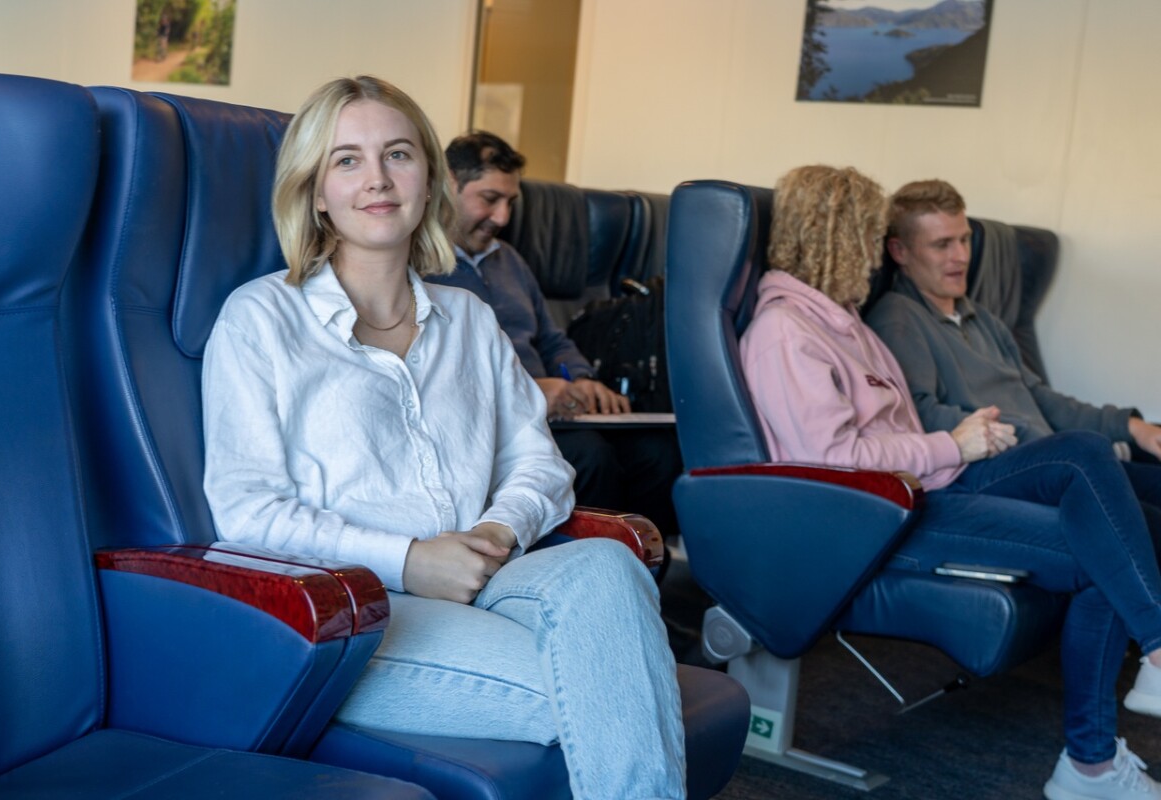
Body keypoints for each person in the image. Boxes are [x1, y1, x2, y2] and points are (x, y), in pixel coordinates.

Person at [201, 76, 686, 800]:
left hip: (490, 571)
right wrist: (410, 560)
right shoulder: (260, 319)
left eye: (397, 154)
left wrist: (495, 531)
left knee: (607, 570)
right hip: (358, 611)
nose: (377, 179)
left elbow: (539, 465)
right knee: (614, 690)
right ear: (314, 191)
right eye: (347, 160)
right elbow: (247, 514)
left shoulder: (468, 318)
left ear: (428, 179)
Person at [740, 164, 1161, 800]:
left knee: (1087, 467)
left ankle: (1112, 730)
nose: (874, 258)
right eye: (866, 238)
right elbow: (825, 458)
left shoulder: (841, 323)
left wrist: (952, 453)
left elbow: (895, 432)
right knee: (1097, 519)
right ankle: (1100, 750)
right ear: (836, 240)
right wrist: (952, 443)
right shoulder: (784, 332)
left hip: (926, 489)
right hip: (874, 523)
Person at [425, 130, 682, 544]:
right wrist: (532, 389)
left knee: (657, 454)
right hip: (496, 418)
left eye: (510, 202)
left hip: (553, 413)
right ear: (447, 185)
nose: (503, 217)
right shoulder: (422, 266)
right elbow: (442, 370)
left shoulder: (511, 261)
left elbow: (551, 339)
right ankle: (582, 561)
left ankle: (645, 569)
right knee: (589, 456)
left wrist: (581, 379)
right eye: (490, 199)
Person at [866, 177, 1161, 537]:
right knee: (1146, 522)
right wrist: (1032, 437)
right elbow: (918, 411)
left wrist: (1131, 427)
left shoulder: (982, 317)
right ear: (899, 252)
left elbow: (1037, 395)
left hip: (1055, 457)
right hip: (1004, 466)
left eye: (964, 239)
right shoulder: (899, 317)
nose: (960, 256)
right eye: (942, 245)